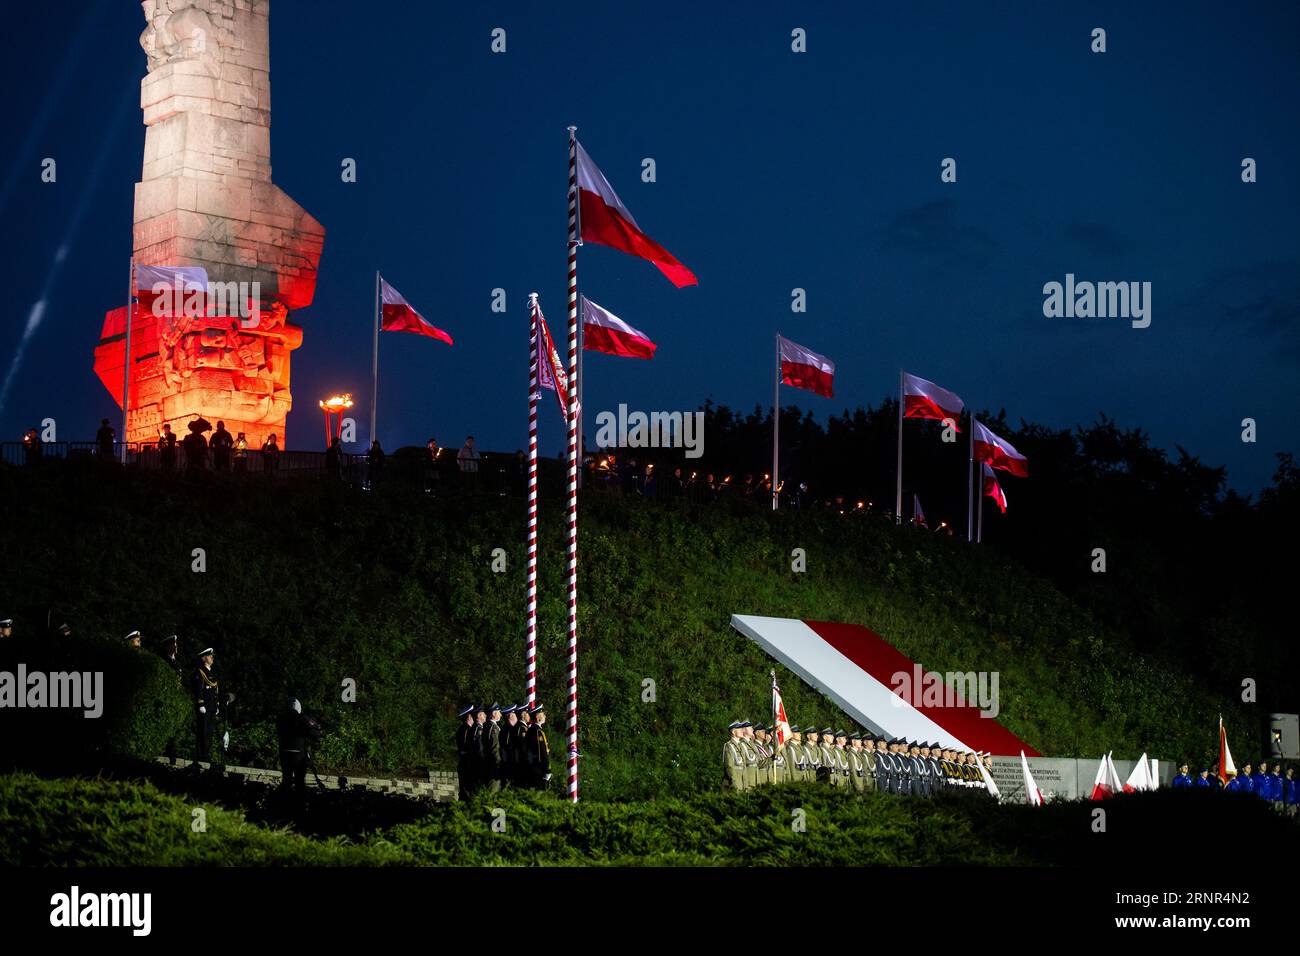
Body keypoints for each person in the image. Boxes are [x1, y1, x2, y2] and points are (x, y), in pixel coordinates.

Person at [276, 698, 319, 807]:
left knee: (287, 780)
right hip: (298, 753)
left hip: (284, 753)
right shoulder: (302, 718)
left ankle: (283, 803)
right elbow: (313, 732)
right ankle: (299, 805)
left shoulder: (281, 718)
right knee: (299, 782)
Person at [191, 648, 220, 764]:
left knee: (209, 731)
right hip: (204, 707)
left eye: (212, 656)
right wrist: (200, 703)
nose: (212, 657)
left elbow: (215, 690)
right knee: (202, 730)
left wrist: (216, 704)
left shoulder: (212, 672)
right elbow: (198, 689)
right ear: (204, 658)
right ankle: (201, 754)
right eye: (210, 656)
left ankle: (206, 753)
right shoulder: (200, 672)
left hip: (212, 706)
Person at [526, 704, 551, 790]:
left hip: (534, 766)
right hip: (538, 767)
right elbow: (541, 752)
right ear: (538, 717)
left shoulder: (532, 730)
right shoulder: (537, 731)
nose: (545, 716)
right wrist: (546, 767)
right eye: (543, 714)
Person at [455, 704, 476, 799]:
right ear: (469, 717)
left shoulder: (464, 729)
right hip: (466, 763)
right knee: (467, 790)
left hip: (466, 763)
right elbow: (465, 748)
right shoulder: (466, 730)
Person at [481, 702, 503, 792]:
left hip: (487, 764)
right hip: (493, 767)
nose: (501, 714)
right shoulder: (493, 728)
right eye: (499, 712)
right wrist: (499, 765)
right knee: (493, 792)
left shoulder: (487, 726)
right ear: (494, 713)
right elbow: (495, 748)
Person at [724, 721, 747, 791]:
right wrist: (734, 782)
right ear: (734, 732)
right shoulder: (729, 745)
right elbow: (729, 766)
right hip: (736, 782)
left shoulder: (741, 745)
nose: (742, 731)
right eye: (740, 729)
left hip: (744, 782)